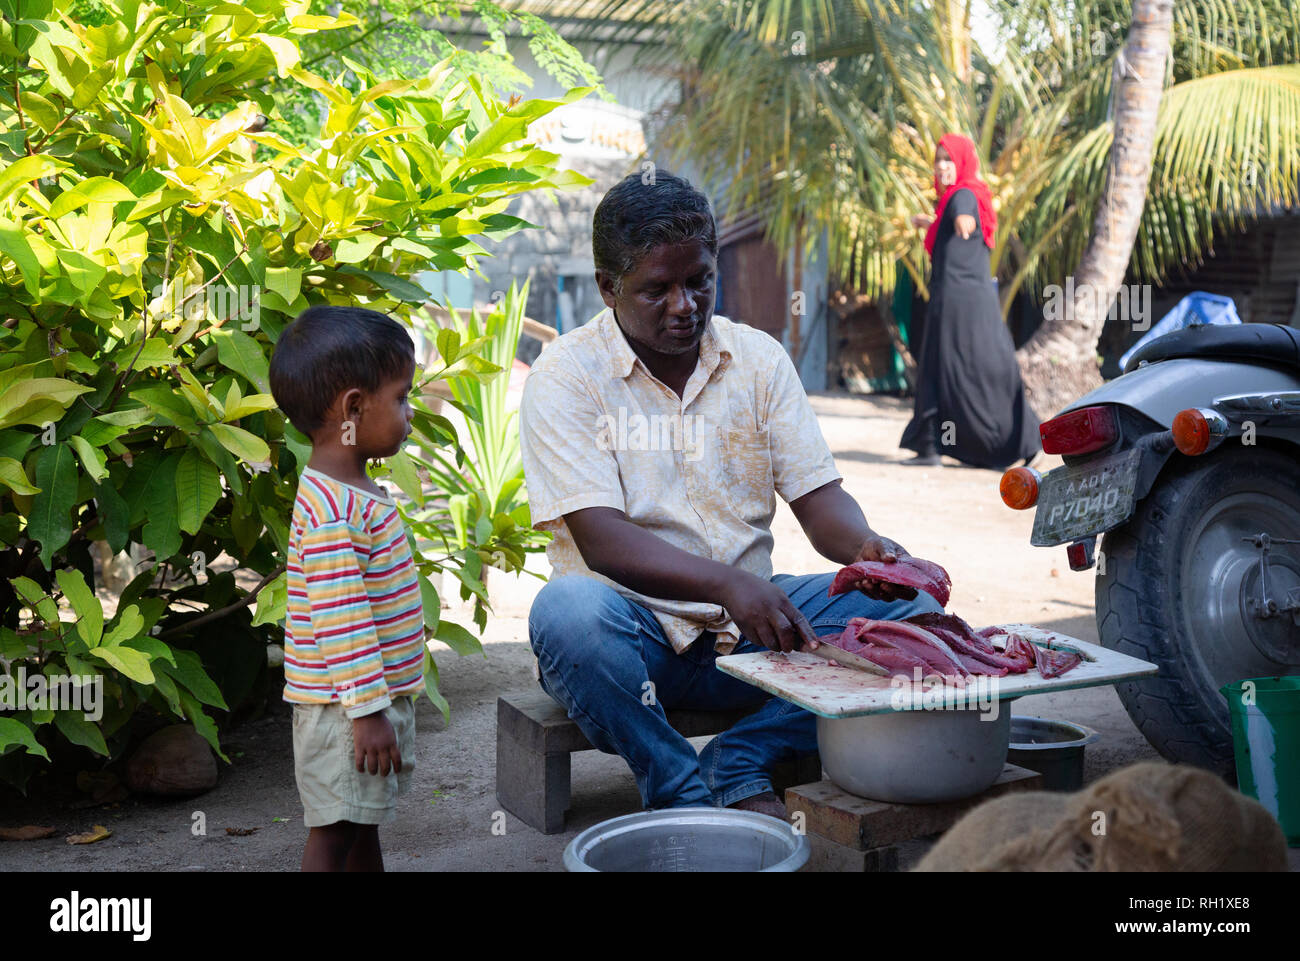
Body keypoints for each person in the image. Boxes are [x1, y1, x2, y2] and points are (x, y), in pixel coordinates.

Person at [520, 171, 944, 820]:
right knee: (567, 615)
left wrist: (864, 548)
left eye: (700, 281)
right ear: (608, 288)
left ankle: (738, 759)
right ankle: (680, 790)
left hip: (752, 632)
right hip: (631, 639)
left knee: (914, 614)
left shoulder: (758, 360)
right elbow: (600, 540)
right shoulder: (566, 375)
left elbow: (821, 502)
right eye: (656, 289)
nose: (685, 304)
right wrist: (728, 585)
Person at [269, 305, 423, 871]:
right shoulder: (335, 510)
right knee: (334, 833)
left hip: (356, 704)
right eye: (402, 397)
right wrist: (367, 712)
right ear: (354, 408)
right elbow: (341, 618)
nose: (409, 413)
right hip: (344, 710)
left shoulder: (346, 492)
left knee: (361, 828)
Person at [900, 133, 1041, 469]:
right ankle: (930, 445)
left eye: (948, 159)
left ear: (962, 162)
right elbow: (955, 227)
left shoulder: (963, 195)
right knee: (937, 365)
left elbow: (965, 216)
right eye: (938, 160)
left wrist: (963, 220)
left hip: (961, 301)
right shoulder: (952, 199)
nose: (942, 166)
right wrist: (932, 223)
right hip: (954, 297)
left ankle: (1014, 440)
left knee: (974, 366)